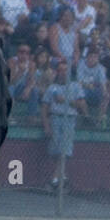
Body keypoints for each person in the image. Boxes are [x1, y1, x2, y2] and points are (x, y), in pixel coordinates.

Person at [41, 57, 86, 189]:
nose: (62, 72)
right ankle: (62, 177)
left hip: (69, 120)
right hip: (55, 118)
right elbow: (44, 107)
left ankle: (54, 179)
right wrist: (46, 125)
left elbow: (81, 105)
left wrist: (65, 100)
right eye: (60, 70)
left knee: (64, 150)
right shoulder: (52, 88)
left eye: (65, 70)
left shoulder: (76, 86)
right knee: (56, 151)